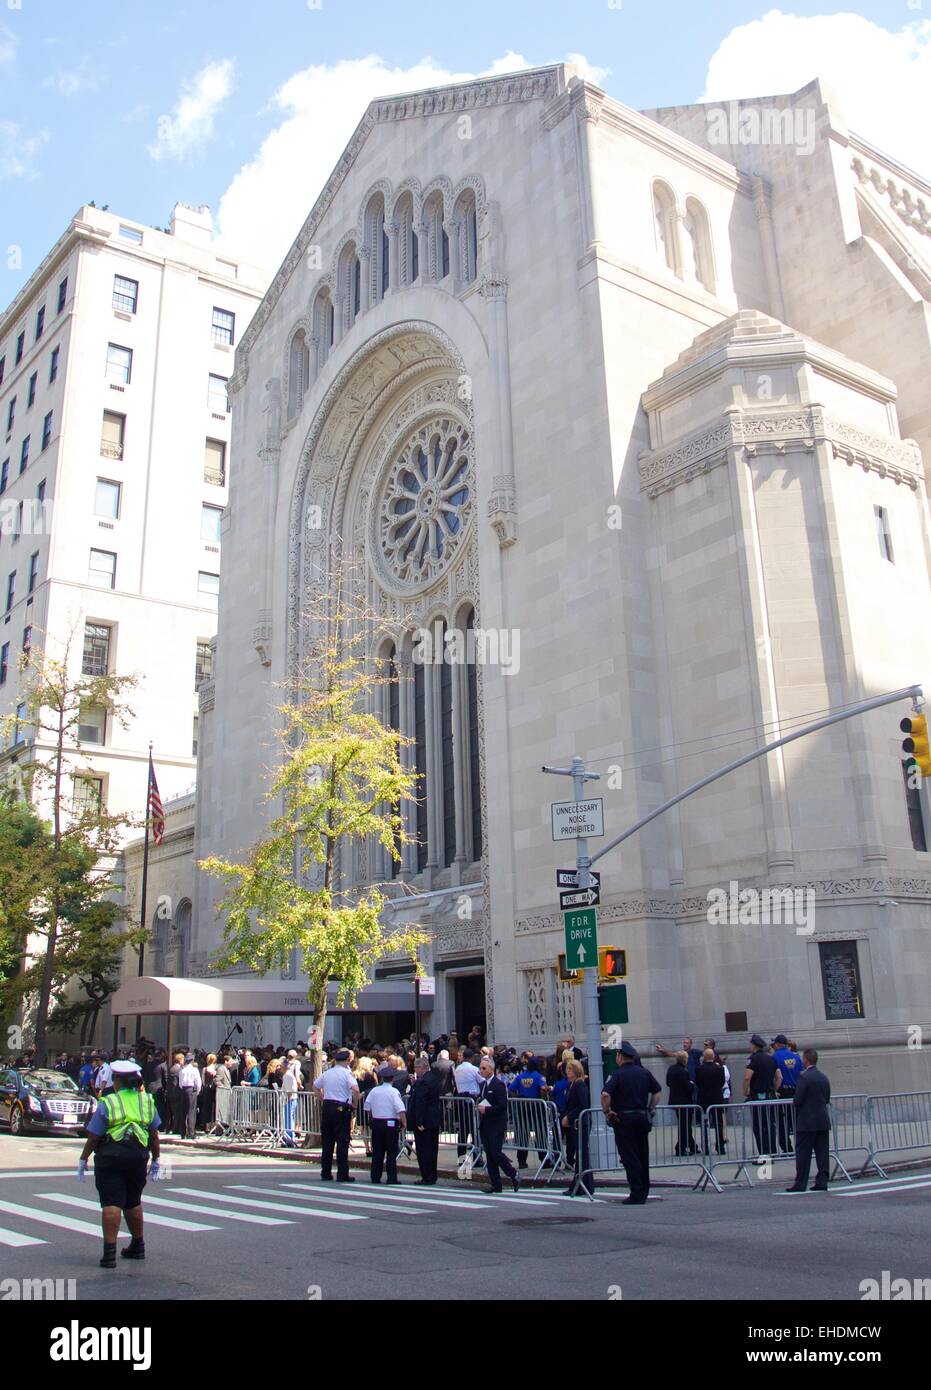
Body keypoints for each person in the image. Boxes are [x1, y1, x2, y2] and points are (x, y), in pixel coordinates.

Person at [77, 1060, 162, 1268]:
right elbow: (154, 1135)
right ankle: (138, 1245)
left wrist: (83, 1158)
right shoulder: (147, 1101)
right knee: (133, 1201)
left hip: (111, 1155)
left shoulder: (109, 1102)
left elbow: (94, 1135)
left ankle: (109, 1254)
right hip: (138, 1155)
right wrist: (157, 1159)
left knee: (111, 1202)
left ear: (117, 1081)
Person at [601, 1041, 661, 1204]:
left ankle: (636, 1192)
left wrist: (607, 1112)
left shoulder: (617, 1074)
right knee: (642, 1154)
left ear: (620, 1057)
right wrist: (650, 1109)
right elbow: (657, 1092)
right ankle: (643, 1191)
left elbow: (605, 1095)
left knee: (629, 1156)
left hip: (624, 1119)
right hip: (641, 1117)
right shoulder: (644, 1072)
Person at [786, 1049, 832, 1192]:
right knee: (822, 1152)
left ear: (805, 1060)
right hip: (822, 1119)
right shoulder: (824, 1077)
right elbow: (827, 1098)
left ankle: (801, 1183)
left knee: (803, 1154)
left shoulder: (805, 1077)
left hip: (807, 1121)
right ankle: (822, 1181)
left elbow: (798, 1099)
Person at [313, 1049, 359, 1182]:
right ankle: (342, 1173)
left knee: (327, 1142)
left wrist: (323, 1099)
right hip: (341, 1108)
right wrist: (355, 1104)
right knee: (342, 1142)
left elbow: (315, 1087)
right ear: (347, 1061)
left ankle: (325, 1172)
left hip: (328, 1107)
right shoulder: (346, 1074)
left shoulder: (328, 1073)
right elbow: (356, 1090)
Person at [476, 1056, 520, 1194]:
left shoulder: (498, 1084)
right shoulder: (483, 1085)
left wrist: (487, 1109)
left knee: (496, 1153)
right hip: (485, 1124)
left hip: (496, 1124)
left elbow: (502, 1105)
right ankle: (496, 1184)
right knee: (490, 1155)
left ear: (491, 1069)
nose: (481, 1070)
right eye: (480, 1068)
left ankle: (513, 1173)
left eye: (484, 1068)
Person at [364, 1064, 407, 1184]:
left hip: (377, 1122)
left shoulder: (374, 1090)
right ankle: (391, 1178)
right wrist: (404, 1123)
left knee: (377, 1151)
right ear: (392, 1079)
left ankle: (375, 1177)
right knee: (391, 1152)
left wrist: (372, 1116)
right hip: (391, 1123)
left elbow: (367, 1106)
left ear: (382, 1078)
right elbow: (400, 1109)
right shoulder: (394, 1092)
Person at [743, 1035, 782, 1163]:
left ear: (754, 1045)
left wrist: (745, 1091)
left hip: (758, 1096)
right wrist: (774, 1090)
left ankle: (764, 1155)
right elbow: (779, 1077)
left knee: (759, 1126)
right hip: (770, 1096)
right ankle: (772, 1152)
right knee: (770, 1124)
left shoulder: (753, 1059)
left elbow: (748, 1077)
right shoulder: (771, 1059)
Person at [508, 1055, 550, 1169]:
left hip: (522, 1107)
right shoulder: (539, 1077)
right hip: (536, 1107)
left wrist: (518, 1098)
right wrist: (543, 1098)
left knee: (522, 1134)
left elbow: (510, 1089)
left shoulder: (520, 1077)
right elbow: (543, 1089)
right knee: (540, 1133)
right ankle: (544, 1159)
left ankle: (521, 1161)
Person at [406, 1057, 443, 1185]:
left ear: (422, 1068)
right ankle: (432, 1175)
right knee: (433, 1149)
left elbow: (421, 1102)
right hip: (433, 1118)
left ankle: (427, 1176)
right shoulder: (433, 1079)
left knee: (423, 1149)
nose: (415, 1070)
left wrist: (419, 1121)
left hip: (425, 1120)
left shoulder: (422, 1082)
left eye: (416, 1068)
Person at [561, 1059, 591, 1196]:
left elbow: (582, 1105)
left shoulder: (580, 1085)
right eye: (567, 1069)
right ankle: (582, 1184)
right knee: (579, 1154)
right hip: (574, 1124)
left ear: (576, 1071)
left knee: (581, 1154)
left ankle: (581, 1185)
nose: (567, 1072)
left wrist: (570, 1116)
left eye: (570, 1069)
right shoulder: (570, 1085)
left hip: (581, 1124)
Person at [772, 1034, 802, 1153]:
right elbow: (802, 1072)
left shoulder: (775, 1057)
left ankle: (787, 1147)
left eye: (775, 1043)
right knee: (796, 1120)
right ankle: (800, 1146)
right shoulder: (796, 1056)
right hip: (796, 1090)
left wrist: (774, 1090)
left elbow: (777, 1076)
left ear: (778, 1044)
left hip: (782, 1091)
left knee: (781, 1121)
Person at [666, 1049, 698, 1157]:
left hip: (675, 1100)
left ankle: (692, 1145)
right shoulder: (684, 1071)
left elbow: (667, 1083)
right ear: (685, 1059)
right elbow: (687, 1087)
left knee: (684, 1124)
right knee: (685, 1125)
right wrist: (692, 1085)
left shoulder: (671, 1069)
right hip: (684, 1101)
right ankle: (680, 1147)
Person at [695, 1047, 727, 1154]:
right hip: (717, 1098)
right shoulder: (719, 1069)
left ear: (704, 1057)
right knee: (719, 1123)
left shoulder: (699, 1069)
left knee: (704, 1124)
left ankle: (706, 1148)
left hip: (703, 1098)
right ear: (713, 1057)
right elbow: (722, 1083)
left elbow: (698, 1083)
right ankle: (720, 1147)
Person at [281, 1051, 302, 1148]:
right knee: (288, 1119)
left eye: (281, 1067)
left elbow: (290, 1090)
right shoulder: (286, 1075)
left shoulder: (288, 1075)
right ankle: (288, 1137)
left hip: (290, 1100)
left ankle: (290, 1138)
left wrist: (288, 1100)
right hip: (288, 1100)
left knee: (289, 1119)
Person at [179, 1053, 202, 1139]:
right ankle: (191, 1132)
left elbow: (180, 1083)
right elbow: (198, 1082)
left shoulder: (182, 1070)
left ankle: (183, 1133)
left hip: (183, 1090)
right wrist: (198, 1091)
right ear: (192, 1061)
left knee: (183, 1112)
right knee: (191, 1111)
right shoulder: (195, 1070)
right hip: (191, 1090)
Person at [167, 1051, 184, 1134]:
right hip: (176, 1093)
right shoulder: (178, 1069)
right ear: (180, 1060)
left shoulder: (172, 1068)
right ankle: (176, 1128)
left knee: (174, 1111)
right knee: (177, 1111)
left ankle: (174, 1127)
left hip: (171, 1093)